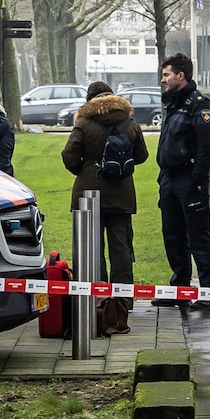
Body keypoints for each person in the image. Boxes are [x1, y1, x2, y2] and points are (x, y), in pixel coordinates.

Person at [61, 79, 147, 337]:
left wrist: (87, 170)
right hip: (121, 196)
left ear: (89, 100)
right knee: (121, 249)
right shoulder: (129, 122)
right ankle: (123, 303)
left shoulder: (84, 123)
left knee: (92, 250)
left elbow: (68, 155)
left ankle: (97, 301)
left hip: (88, 194)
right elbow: (141, 156)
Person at [155, 52, 210, 313]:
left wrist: (197, 181)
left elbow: (207, 148)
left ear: (180, 75)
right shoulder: (171, 104)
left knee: (198, 236)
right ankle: (180, 289)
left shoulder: (200, 105)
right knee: (172, 235)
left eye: (167, 75)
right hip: (169, 179)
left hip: (189, 180)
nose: (163, 80)